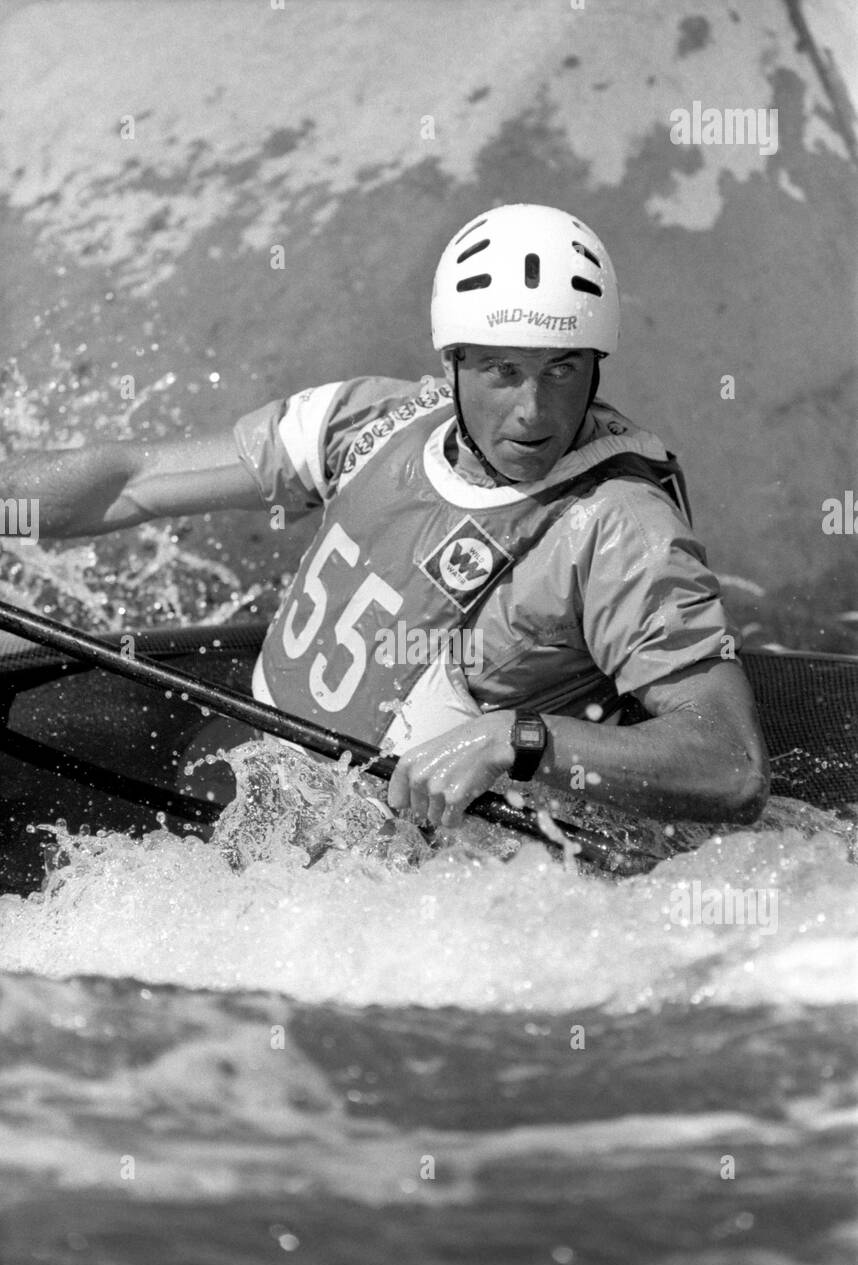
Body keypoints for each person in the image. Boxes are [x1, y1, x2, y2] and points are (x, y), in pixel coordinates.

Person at [6, 203, 769, 831]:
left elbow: (731, 766)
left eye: (562, 369)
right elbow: (127, 482)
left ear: (597, 364)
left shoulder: (619, 527)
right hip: (240, 779)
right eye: (503, 371)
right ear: (451, 364)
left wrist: (520, 742)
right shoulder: (373, 420)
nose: (534, 413)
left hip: (398, 878)